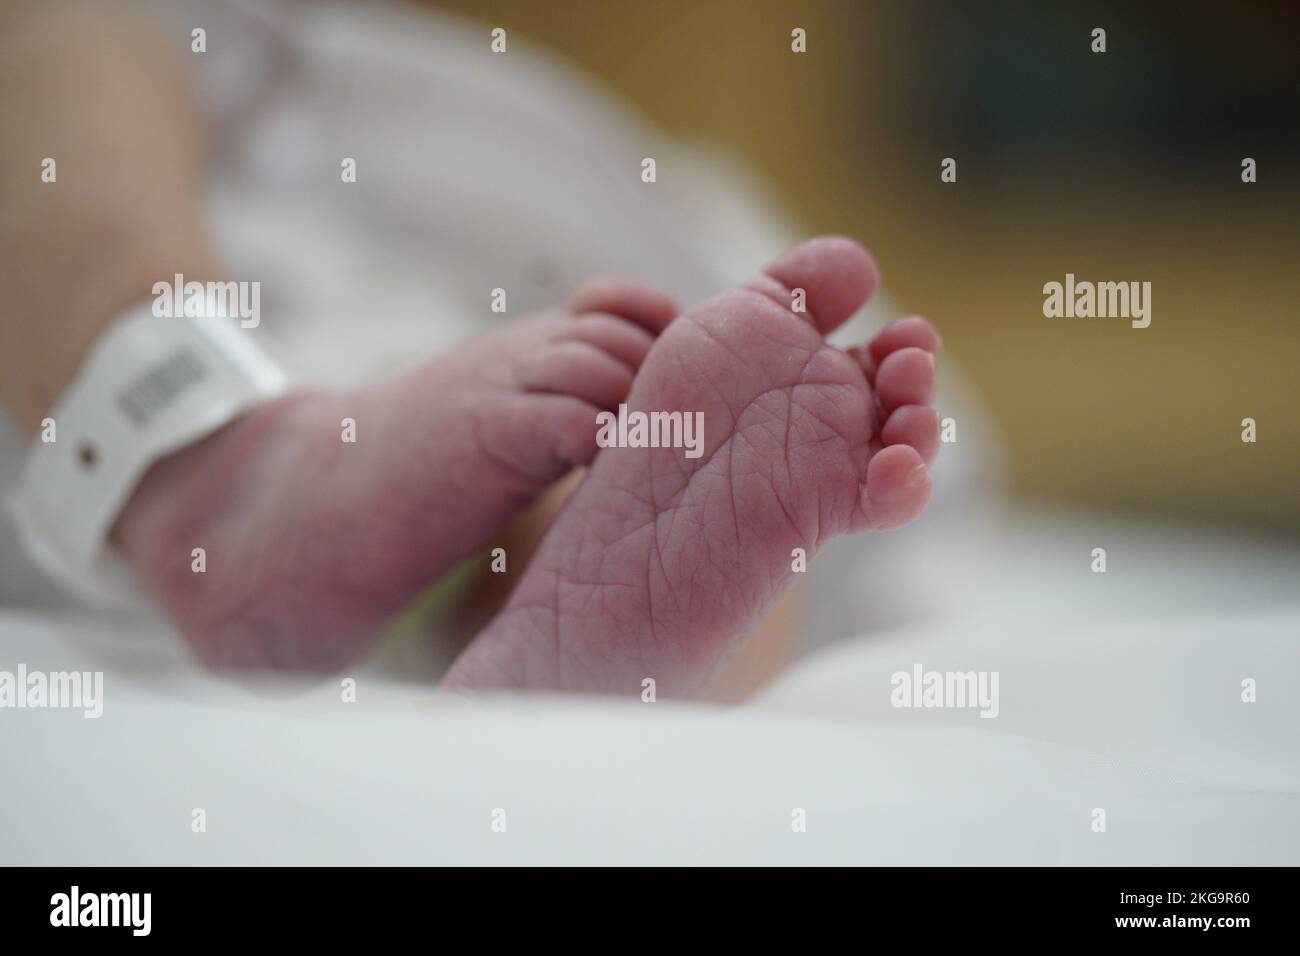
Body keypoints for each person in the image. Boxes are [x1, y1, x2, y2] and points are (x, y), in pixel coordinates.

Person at [0, 0, 946, 697]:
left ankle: (231, 475)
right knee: (65, 48)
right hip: (317, 334)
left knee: (635, 475)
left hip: (408, 359)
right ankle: (220, 471)